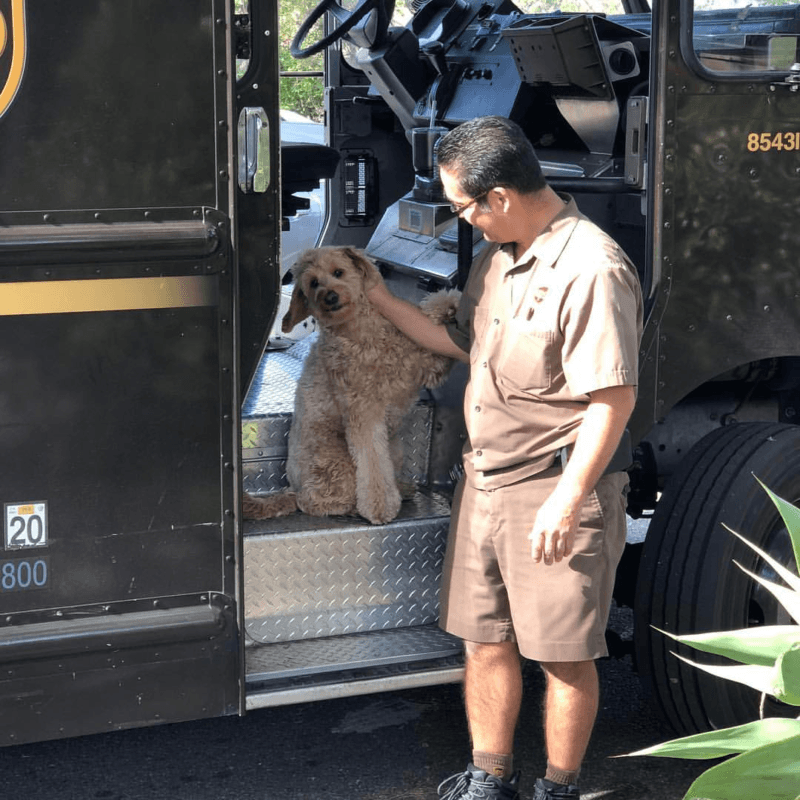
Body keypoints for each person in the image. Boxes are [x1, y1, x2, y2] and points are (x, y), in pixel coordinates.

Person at [367, 116, 643, 800]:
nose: (463, 219)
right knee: (484, 641)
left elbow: (612, 399)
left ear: (500, 199)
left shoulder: (592, 269)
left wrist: (569, 495)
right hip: (484, 485)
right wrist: (372, 294)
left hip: (552, 491)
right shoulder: (499, 255)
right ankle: (490, 778)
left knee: (562, 657)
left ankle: (558, 787)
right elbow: (456, 340)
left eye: (462, 206)